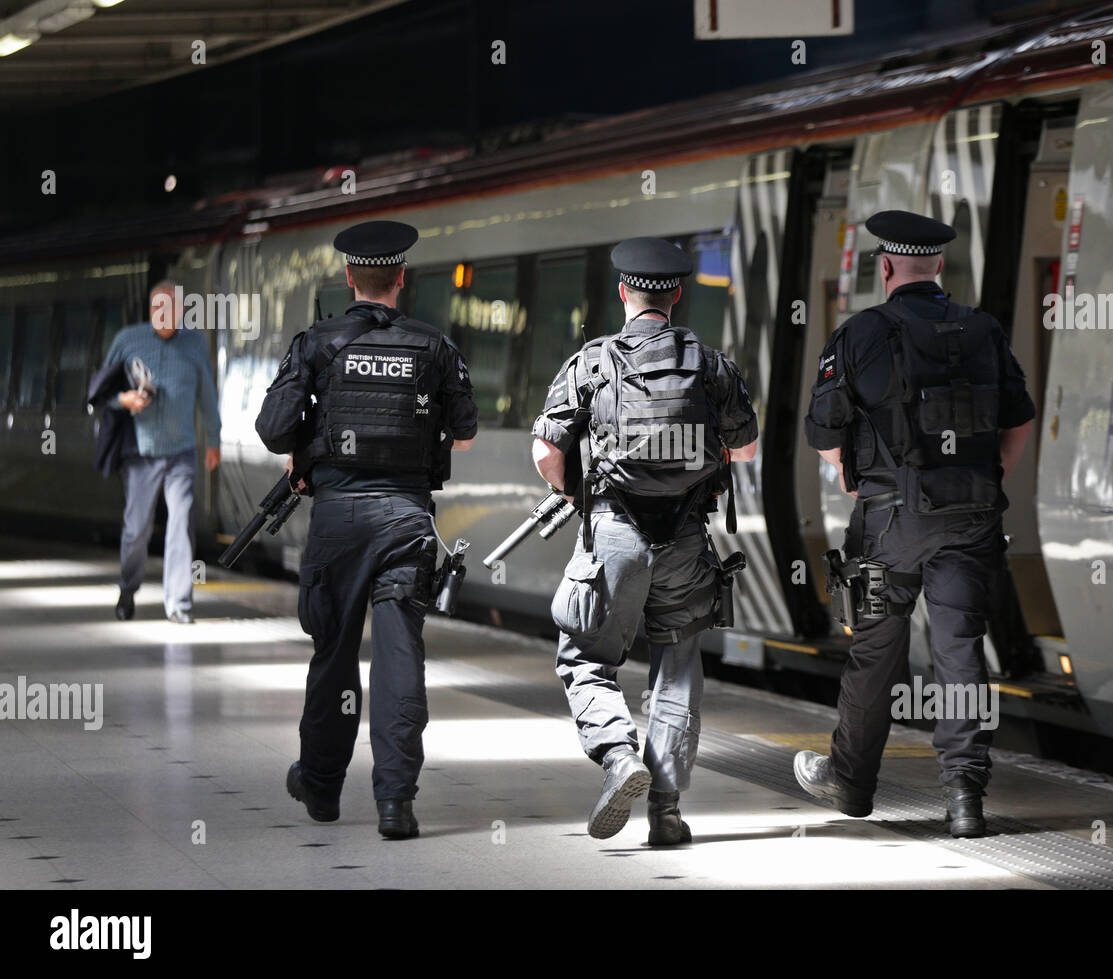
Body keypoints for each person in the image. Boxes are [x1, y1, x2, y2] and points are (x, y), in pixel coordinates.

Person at [798, 210, 1035, 838]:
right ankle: (964, 796)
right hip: (971, 523)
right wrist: (990, 478)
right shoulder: (984, 329)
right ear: (938, 266)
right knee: (960, 653)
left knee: (876, 650)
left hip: (887, 528)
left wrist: (853, 476)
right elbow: (1018, 419)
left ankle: (851, 782)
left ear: (886, 267)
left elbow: (822, 431)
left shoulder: (862, 333)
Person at [255, 219, 478, 840]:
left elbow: (273, 430)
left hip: (339, 523)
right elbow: (464, 429)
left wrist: (313, 441)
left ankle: (322, 787)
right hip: (407, 519)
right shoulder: (434, 346)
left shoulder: (318, 343)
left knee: (333, 657)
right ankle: (396, 803)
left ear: (349, 277)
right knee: (401, 655)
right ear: (401, 278)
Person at [531, 236, 758, 845]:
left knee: (584, 656)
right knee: (677, 667)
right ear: (678, 295)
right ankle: (666, 812)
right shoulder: (711, 366)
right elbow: (747, 446)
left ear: (623, 291)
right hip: (686, 538)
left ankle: (617, 755)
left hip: (616, 537)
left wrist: (577, 491)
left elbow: (547, 450)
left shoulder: (592, 361)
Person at [104, 280, 221, 624]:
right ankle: (128, 588)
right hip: (141, 453)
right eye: (156, 308)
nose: (162, 315)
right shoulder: (128, 340)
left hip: (182, 452)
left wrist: (213, 440)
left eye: (169, 308)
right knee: (136, 528)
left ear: (181, 311)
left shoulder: (195, 343)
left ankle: (178, 603)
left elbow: (207, 396)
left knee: (181, 522)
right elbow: (101, 391)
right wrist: (124, 399)